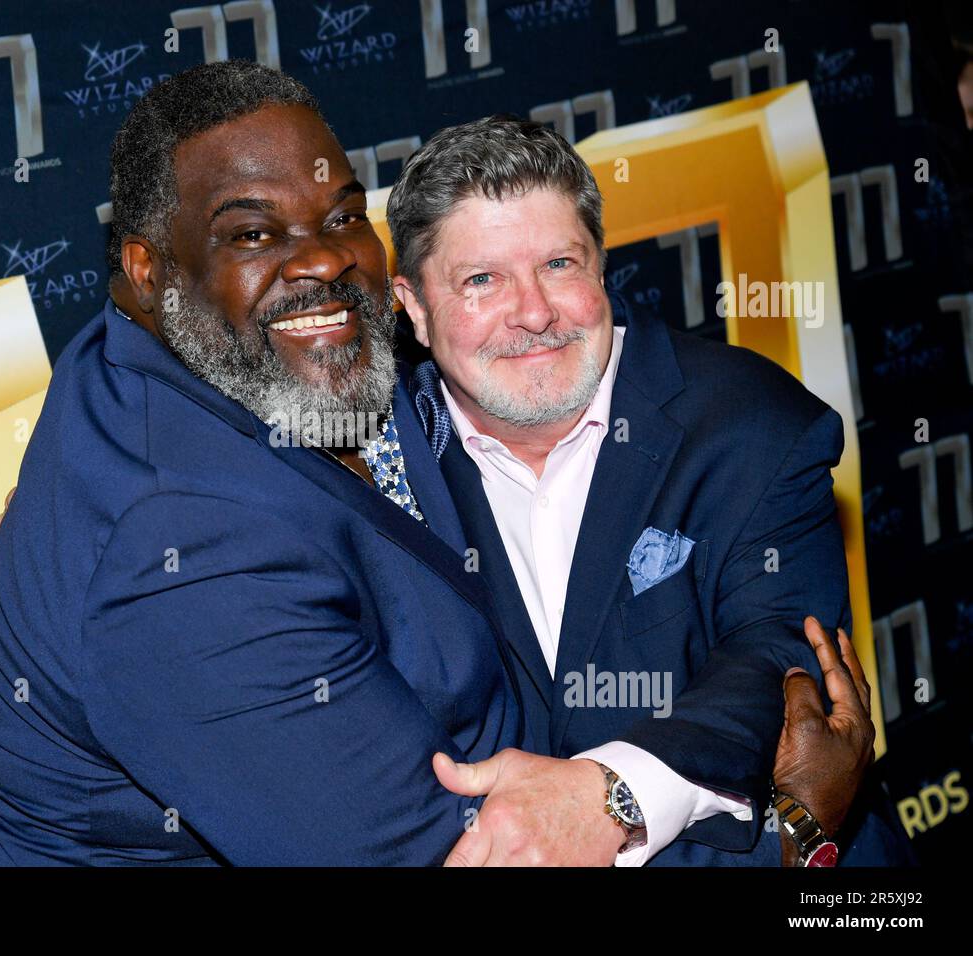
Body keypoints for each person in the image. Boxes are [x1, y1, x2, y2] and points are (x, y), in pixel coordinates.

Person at [0, 61, 885, 866]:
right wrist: (795, 836)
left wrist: (626, 788)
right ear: (145, 271)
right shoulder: (183, 547)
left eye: (339, 217)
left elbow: (785, 655)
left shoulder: (318, 388)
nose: (322, 259)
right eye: (252, 234)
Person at [386, 114, 908, 865]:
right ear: (415, 308)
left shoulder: (753, 423)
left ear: (600, 264)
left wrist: (609, 793)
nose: (534, 313)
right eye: (481, 280)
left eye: (560, 265)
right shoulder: (382, 463)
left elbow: (780, 660)